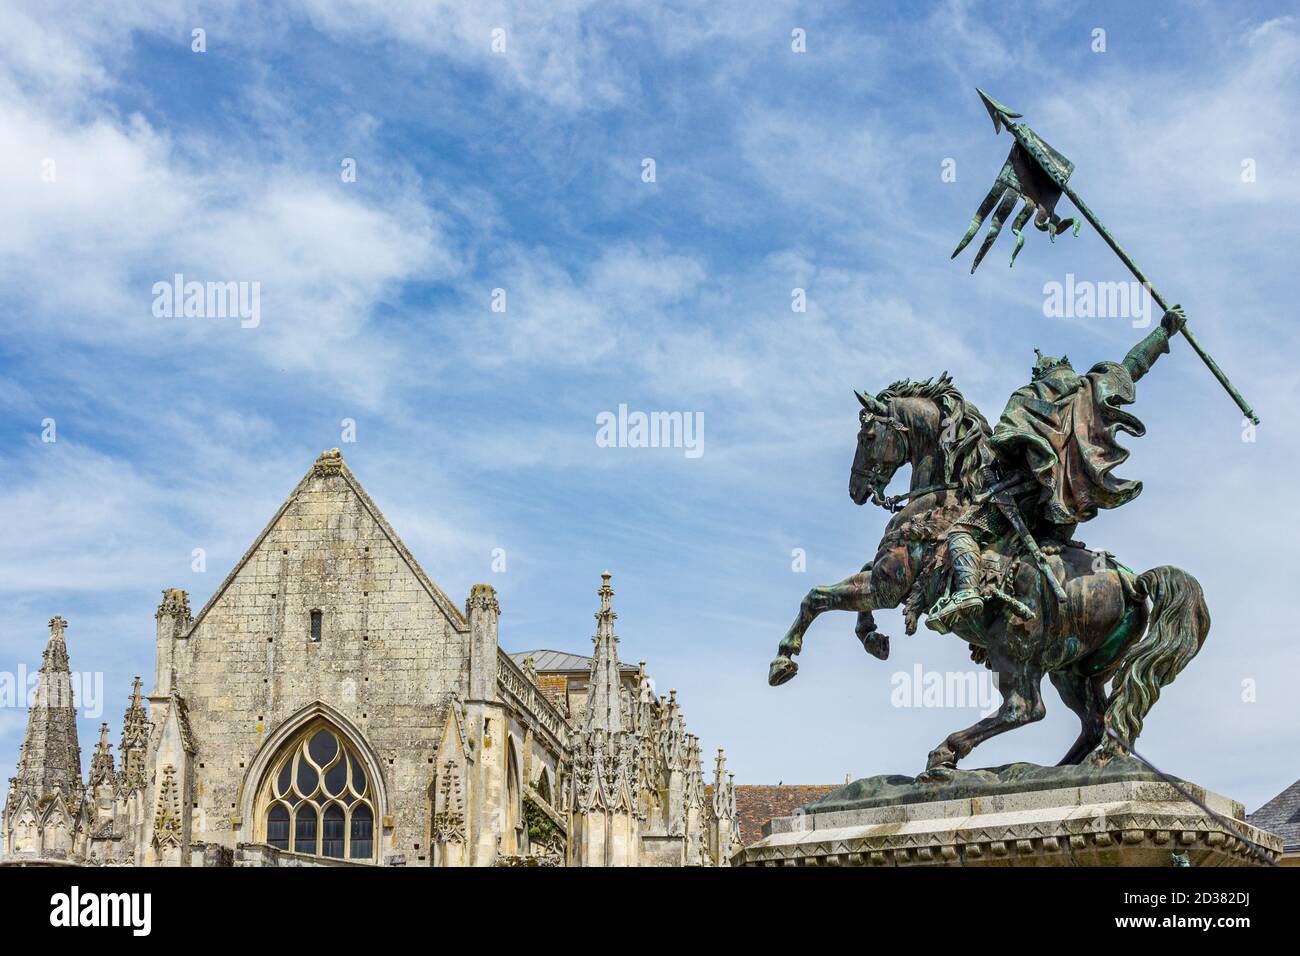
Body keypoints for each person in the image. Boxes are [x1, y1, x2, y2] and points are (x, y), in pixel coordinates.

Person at [927, 305, 1188, 632]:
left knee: (961, 531)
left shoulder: (1026, 396)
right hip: (1066, 516)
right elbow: (1133, 366)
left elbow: (1003, 447)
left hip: (1021, 500)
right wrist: (1163, 331)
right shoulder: (1092, 387)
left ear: (1039, 374)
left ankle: (966, 593)